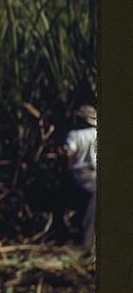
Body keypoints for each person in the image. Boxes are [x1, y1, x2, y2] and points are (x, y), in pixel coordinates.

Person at [63, 104, 97, 248]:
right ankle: (87, 241)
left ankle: (80, 240)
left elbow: (69, 153)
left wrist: (68, 169)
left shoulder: (74, 134)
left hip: (79, 176)